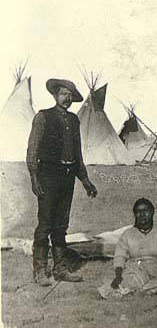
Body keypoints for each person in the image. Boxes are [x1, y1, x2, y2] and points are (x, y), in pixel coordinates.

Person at [26, 78, 98, 286]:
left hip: (67, 178)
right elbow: (32, 151)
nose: (66, 98)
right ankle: (40, 270)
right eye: (63, 94)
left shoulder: (74, 121)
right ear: (55, 95)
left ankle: (60, 269)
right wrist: (34, 177)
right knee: (45, 224)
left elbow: (77, 154)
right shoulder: (43, 118)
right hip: (48, 176)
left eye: (70, 95)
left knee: (61, 225)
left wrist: (85, 181)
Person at [99, 198, 157, 299]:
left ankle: (136, 292)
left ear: (152, 212)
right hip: (135, 268)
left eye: (145, 211)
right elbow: (119, 256)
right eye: (138, 212)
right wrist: (118, 276)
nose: (142, 215)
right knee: (130, 281)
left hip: (155, 270)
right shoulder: (128, 234)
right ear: (135, 214)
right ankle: (134, 291)